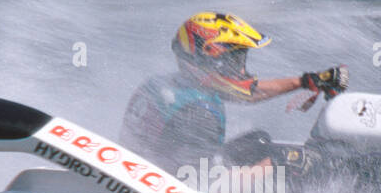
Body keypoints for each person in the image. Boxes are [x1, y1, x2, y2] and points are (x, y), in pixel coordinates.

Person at [119, 12, 346, 173]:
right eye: (234, 61)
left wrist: (306, 81)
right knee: (271, 153)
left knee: (258, 140)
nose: (240, 70)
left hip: (146, 170)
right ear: (210, 62)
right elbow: (202, 185)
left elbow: (249, 93)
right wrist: (279, 162)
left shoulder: (172, 85)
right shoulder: (197, 115)